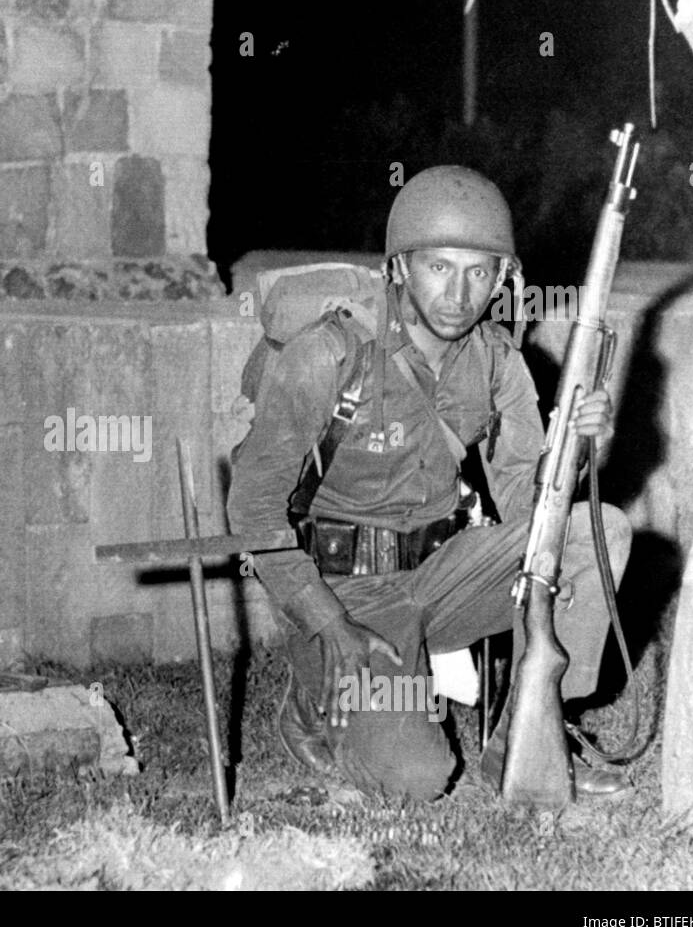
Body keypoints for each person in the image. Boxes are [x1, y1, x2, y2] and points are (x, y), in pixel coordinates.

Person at [226, 165, 631, 801]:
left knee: (592, 532)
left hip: (445, 576)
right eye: (439, 267)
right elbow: (251, 508)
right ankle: (310, 706)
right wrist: (328, 623)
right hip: (347, 596)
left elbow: (534, 509)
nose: (458, 293)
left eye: (478, 272)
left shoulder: (497, 359)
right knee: (418, 776)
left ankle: (535, 730)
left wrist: (581, 449)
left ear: (501, 278)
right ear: (401, 268)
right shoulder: (330, 354)